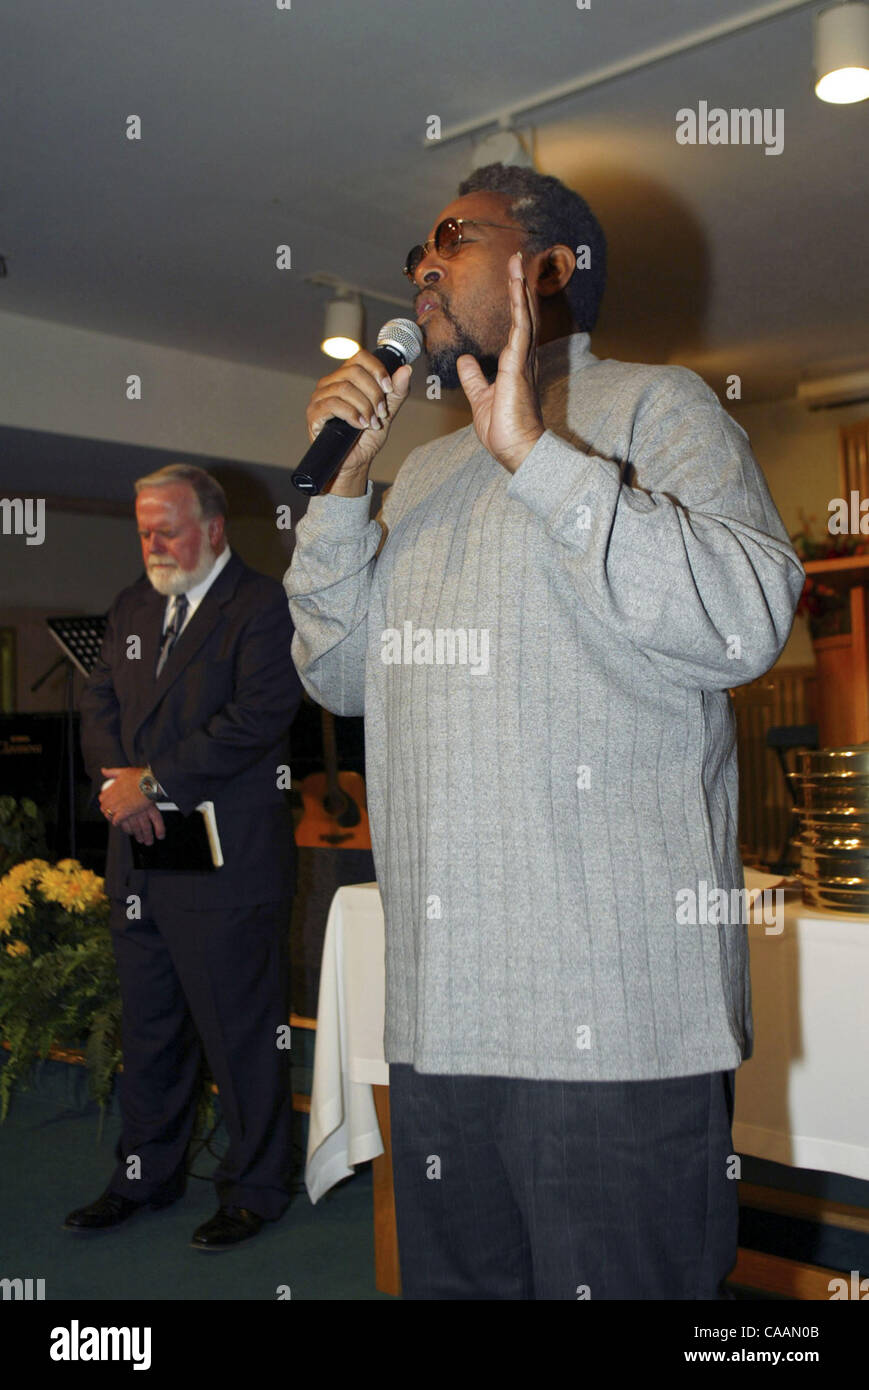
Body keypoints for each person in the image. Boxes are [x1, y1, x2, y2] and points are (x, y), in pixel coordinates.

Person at [283, 163, 805, 1299]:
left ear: (551, 270)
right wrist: (336, 506)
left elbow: (748, 614)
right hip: (439, 1022)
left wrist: (536, 456)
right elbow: (337, 675)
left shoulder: (655, 409)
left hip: (610, 1024)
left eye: (454, 241)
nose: (421, 267)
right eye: (418, 251)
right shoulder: (417, 476)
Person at [68, 463, 302, 1250]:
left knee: (241, 1032)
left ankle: (257, 1187)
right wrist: (119, 787)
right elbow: (95, 699)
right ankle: (144, 1176)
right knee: (151, 1028)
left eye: (166, 527)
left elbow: (258, 717)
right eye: (143, 529)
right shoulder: (134, 604)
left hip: (225, 858)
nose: (153, 543)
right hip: (140, 853)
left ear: (213, 528)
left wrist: (153, 783)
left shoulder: (263, 606)